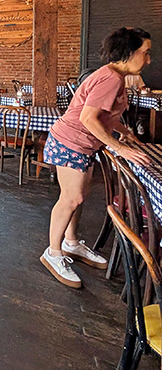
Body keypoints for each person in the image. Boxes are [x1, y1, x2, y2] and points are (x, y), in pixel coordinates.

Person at [40, 27, 152, 289]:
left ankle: (71, 242)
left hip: (83, 145)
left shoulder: (116, 77)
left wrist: (124, 133)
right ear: (129, 52)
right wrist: (121, 149)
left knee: (79, 196)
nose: (148, 60)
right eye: (145, 53)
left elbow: (106, 115)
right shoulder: (111, 79)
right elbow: (87, 118)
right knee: (72, 198)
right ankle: (53, 252)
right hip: (70, 142)